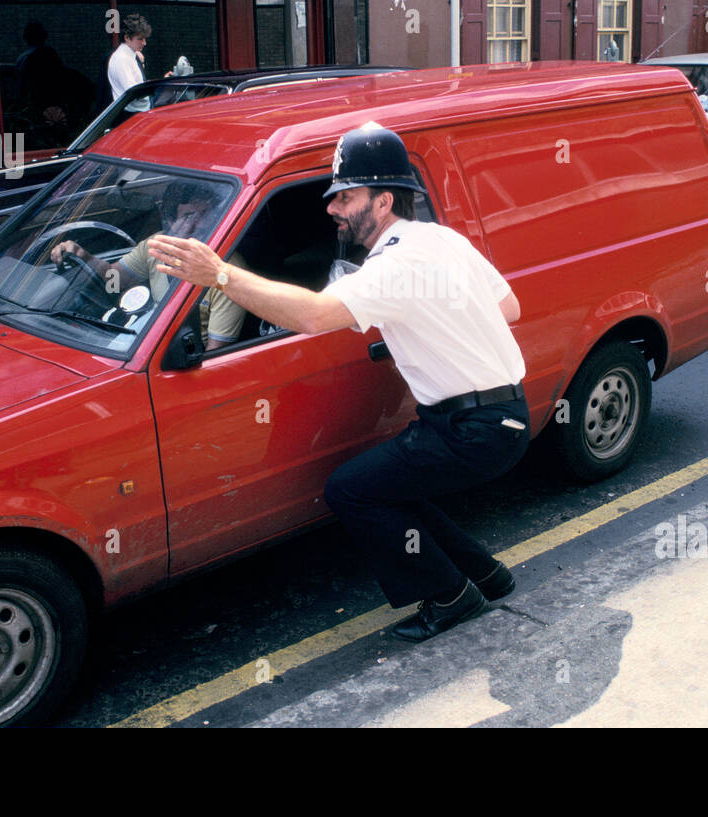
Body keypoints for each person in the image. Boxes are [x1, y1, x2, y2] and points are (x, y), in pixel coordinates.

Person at [148, 124, 529, 642]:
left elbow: (313, 316)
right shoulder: (442, 240)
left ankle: (451, 595)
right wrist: (434, 322)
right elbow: (509, 307)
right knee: (392, 485)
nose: (331, 208)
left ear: (384, 201)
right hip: (496, 416)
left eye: (346, 197)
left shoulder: (394, 265)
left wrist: (219, 275)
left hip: (470, 428)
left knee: (351, 490)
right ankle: (486, 575)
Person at [51, 183, 246, 349]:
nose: (202, 224)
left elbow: (216, 353)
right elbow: (115, 280)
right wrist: (83, 256)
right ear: (170, 220)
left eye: (207, 214)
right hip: (149, 339)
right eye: (190, 216)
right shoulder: (156, 245)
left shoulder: (225, 270)